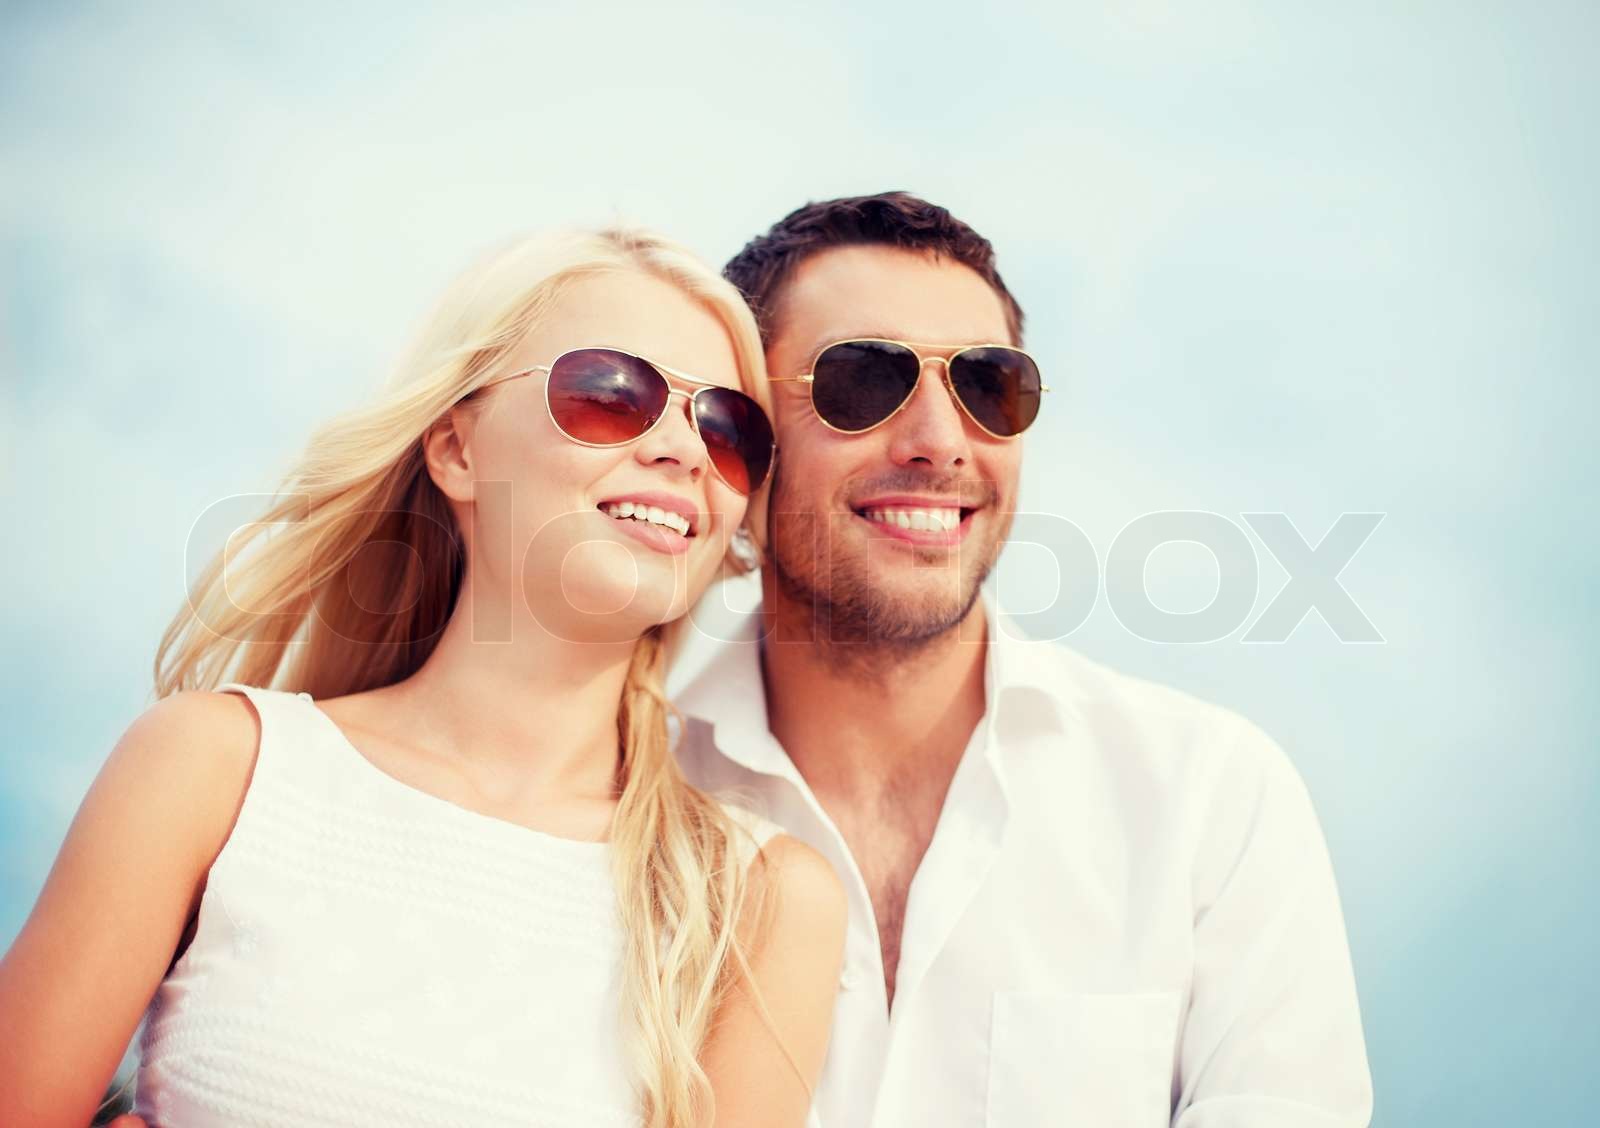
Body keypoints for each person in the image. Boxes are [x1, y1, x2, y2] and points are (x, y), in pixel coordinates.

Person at [0, 226, 847, 1128]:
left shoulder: (760, 898)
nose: (682, 449)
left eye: (727, 429)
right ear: (456, 449)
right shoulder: (214, 769)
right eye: (610, 393)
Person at [665, 191, 1375, 1126]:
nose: (941, 444)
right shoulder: (625, 799)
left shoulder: (1209, 801)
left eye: (988, 386)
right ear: (741, 442)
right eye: (863, 382)